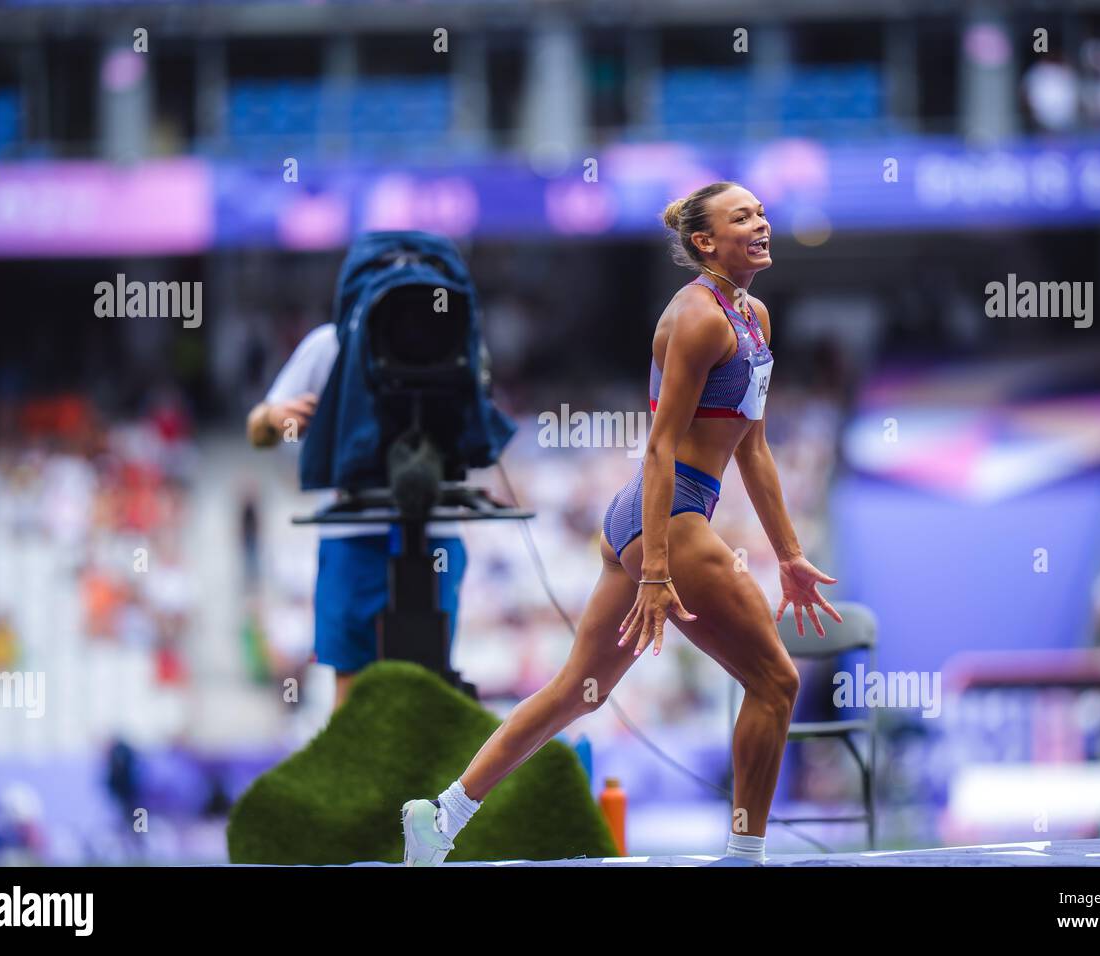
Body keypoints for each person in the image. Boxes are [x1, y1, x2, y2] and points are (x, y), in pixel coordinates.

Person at [402, 182, 842, 866]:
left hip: (646, 519)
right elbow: (661, 447)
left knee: (582, 689)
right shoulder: (696, 318)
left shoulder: (753, 315)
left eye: (760, 212)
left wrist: (788, 554)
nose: (761, 223)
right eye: (742, 217)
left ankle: (441, 817)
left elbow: (752, 447)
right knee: (776, 682)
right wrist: (658, 570)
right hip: (668, 516)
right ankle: (744, 855)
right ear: (704, 241)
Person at [246, 323, 466, 712]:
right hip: (351, 533)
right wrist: (276, 419)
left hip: (435, 528)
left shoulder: (454, 335)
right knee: (352, 686)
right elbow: (257, 430)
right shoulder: (331, 343)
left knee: (428, 688)